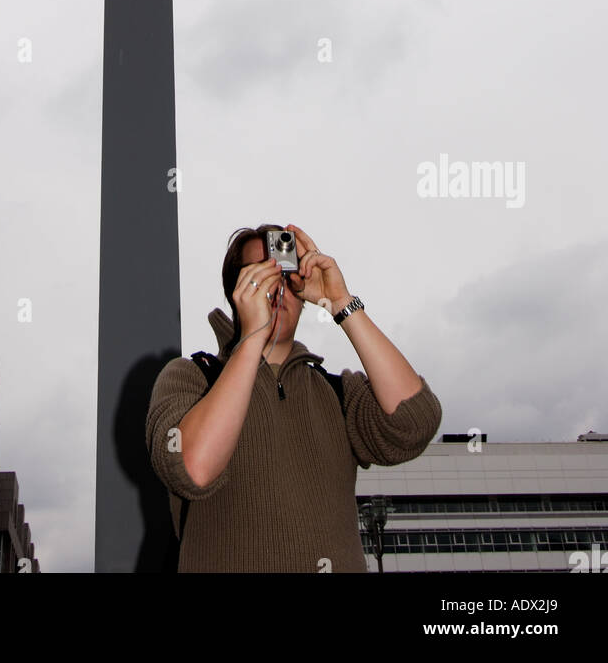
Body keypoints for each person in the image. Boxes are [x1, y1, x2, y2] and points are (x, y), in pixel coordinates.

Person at [145, 222, 442, 573]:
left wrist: (341, 303)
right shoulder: (192, 377)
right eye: (259, 275)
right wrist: (253, 337)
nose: (277, 289)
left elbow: (415, 422)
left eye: (285, 273)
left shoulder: (337, 392)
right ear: (235, 292)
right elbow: (193, 468)